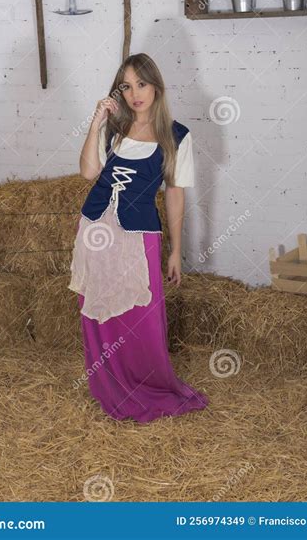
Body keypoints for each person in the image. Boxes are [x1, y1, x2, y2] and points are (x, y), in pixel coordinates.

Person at [68, 53, 209, 423]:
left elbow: (175, 193)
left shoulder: (176, 136)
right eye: (127, 86)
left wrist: (177, 250)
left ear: (156, 86)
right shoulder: (112, 129)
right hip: (97, 230)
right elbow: (87, 173)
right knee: (101, 315)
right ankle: (110, 385)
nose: (135, 94)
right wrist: (97, 122)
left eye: (142, 84)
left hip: (139, 233)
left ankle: (147, 383)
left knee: (141, 318)